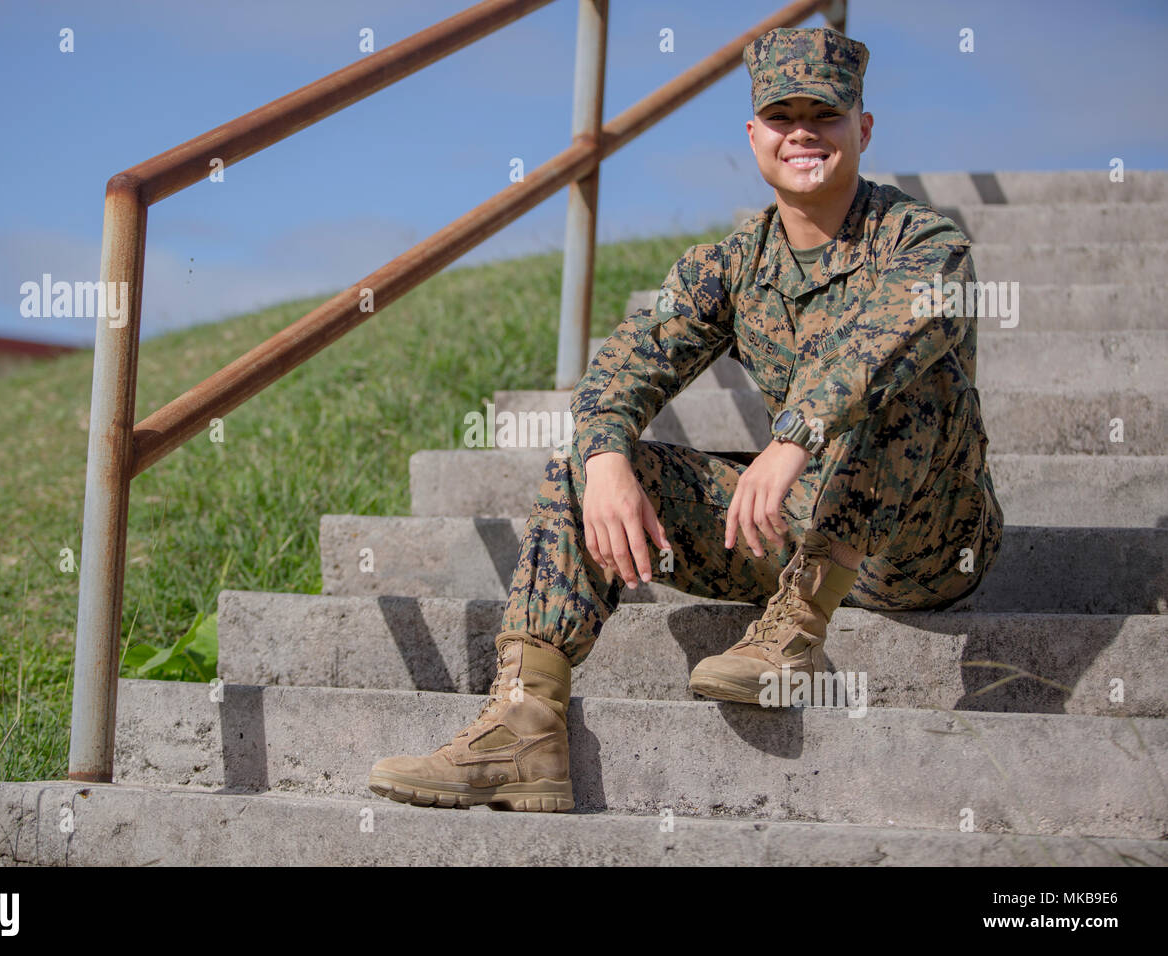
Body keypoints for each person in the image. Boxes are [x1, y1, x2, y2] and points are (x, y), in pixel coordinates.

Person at [368, 26, 1003, 812]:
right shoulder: (729, 267)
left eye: (826, 114)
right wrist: (604, 461)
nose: (803, 132)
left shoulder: (923, 242)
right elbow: (624, 370)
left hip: (925, 545)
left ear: (863, 129)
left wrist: (792, 437)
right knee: (586, 460)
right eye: (782, 115)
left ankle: (797, 629)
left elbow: (893, 334)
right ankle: (521, 732)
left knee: (912, 376)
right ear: (754, 137)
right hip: (794, 524)